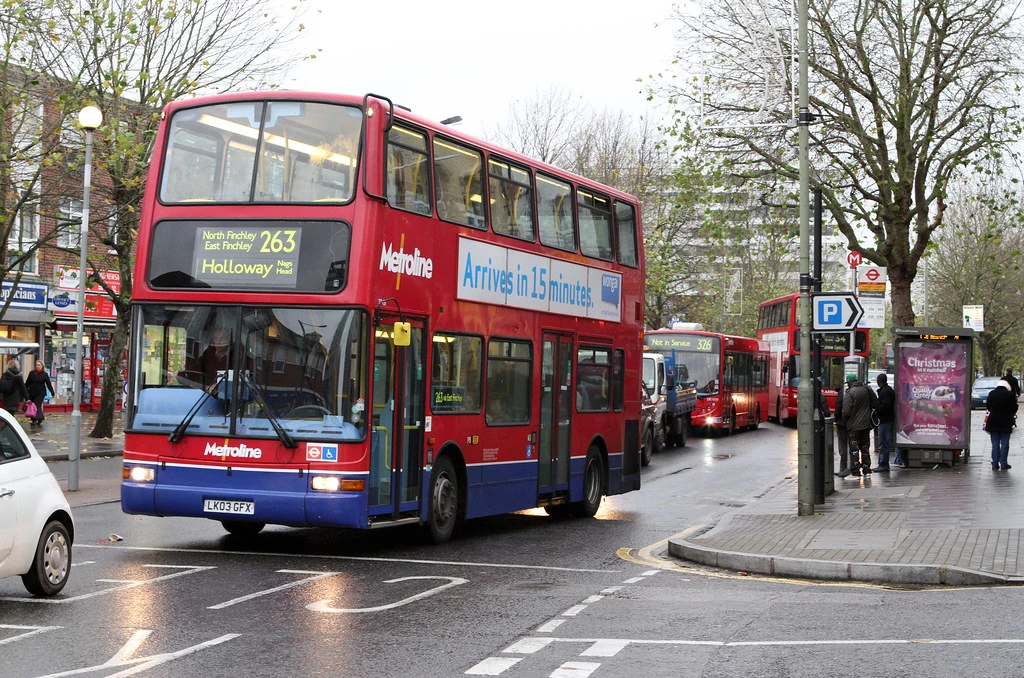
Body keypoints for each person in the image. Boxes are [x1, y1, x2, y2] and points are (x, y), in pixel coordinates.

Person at [842, 373, 877, 476]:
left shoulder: (850, 393)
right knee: (865, 447)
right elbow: (875, 402)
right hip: (866, 425)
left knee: (854, 449)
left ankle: (855, 470)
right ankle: (866, 468)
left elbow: (846, 411)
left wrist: (844, 421)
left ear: (850, 382)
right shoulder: (867, 389)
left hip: (853, 427)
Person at [986, 379, 1018, 470]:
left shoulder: (992, 393)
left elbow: (988, 407)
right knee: (1005, 443)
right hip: (1006, 421)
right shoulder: (1010, 395)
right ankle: (1003, 463)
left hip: (993, 421)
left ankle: (994, 464)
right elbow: (1013, 408)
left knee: (995, 444)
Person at [872, 373, 896, 471]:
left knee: (883, 443)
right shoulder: (888, 390)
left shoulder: (884, 392)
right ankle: (882, 463)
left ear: (878, 381)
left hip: (885, 420)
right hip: (887, 419)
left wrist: (877, 409)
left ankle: (883, 464)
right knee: (884, 443)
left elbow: (886, 405)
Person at [24, 359, 55, 426]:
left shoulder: (44, 374)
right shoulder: (32, 373)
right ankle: (35, 419)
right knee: (31, 406)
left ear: (42, 366)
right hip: (31, 392)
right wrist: (25, 392)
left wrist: (52, 392)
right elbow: (27, 383)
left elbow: (48, 384)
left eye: (39, 365)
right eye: (37, 365)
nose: (37, 366)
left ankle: (38, 418)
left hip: (40, 393)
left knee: (36, 406)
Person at [834, 378, 851, 478]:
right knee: (852, 445)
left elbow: (839, 407)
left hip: (842, 423)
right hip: (853, 423)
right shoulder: (862, 390)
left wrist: (836, 418)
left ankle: (843, 468)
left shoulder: (842, 392)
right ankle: (853, 467)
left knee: (843, 446)